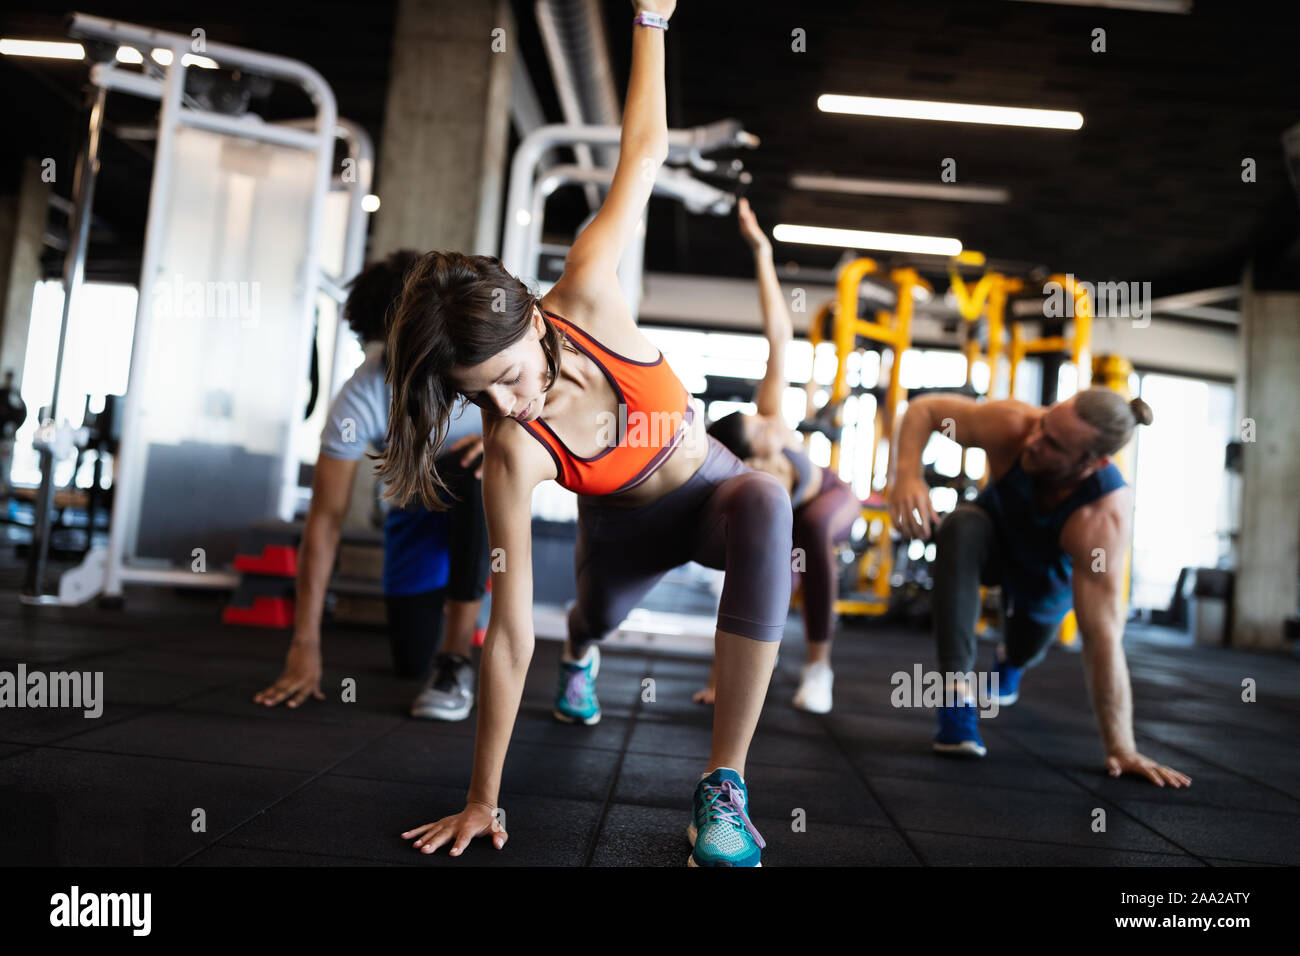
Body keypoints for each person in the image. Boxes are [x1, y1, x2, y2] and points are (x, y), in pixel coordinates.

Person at [382, 1, 793, 867]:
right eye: (478, 400)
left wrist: (651, 19)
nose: (505, 408)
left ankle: (724, 791)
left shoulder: (591, 286)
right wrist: (481, 801)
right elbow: (507, 633)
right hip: (626, 530)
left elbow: (642, 154)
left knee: (767, 500)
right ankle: (588, 656)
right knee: (587, 621)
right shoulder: (513, 454)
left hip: (709, 486)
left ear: (534, 321)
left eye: (504, 379)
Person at [889, 388, 1192, 788]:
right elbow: (924, 410)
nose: (1034, 440)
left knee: (1027, 645)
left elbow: (1102, 637)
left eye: (1052, 443)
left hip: (1045, 577)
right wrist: (907, 476)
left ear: (1092, 462)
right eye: (1044, 423)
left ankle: (1011, 661)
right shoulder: (1014, 424)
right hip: (993, 536)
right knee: (961, 526)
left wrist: (1121, 747)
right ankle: (956, 696)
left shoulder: (1100, 516)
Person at [254, 251, 490, 721]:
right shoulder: (362, 394)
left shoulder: (477, 365)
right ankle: (446, 627)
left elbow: (546, 412)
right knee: (407, 662)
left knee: (473, 477)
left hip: (479, 505)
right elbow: (324, 520)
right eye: (386, 345)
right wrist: (305, 643)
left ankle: (456, 657)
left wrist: (502, 446)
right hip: (414, 510)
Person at [696, 197, 862, 713]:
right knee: (759, 567)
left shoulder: (774, 420)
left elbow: (779, 336)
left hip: (832, 497)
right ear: (750, 454)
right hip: (787, 520)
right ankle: (729, 675)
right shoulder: (744, 475)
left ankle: (819, 669)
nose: (774, 423)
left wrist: (763, 253)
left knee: (811, 533)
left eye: (766, 418)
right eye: (764, 430)